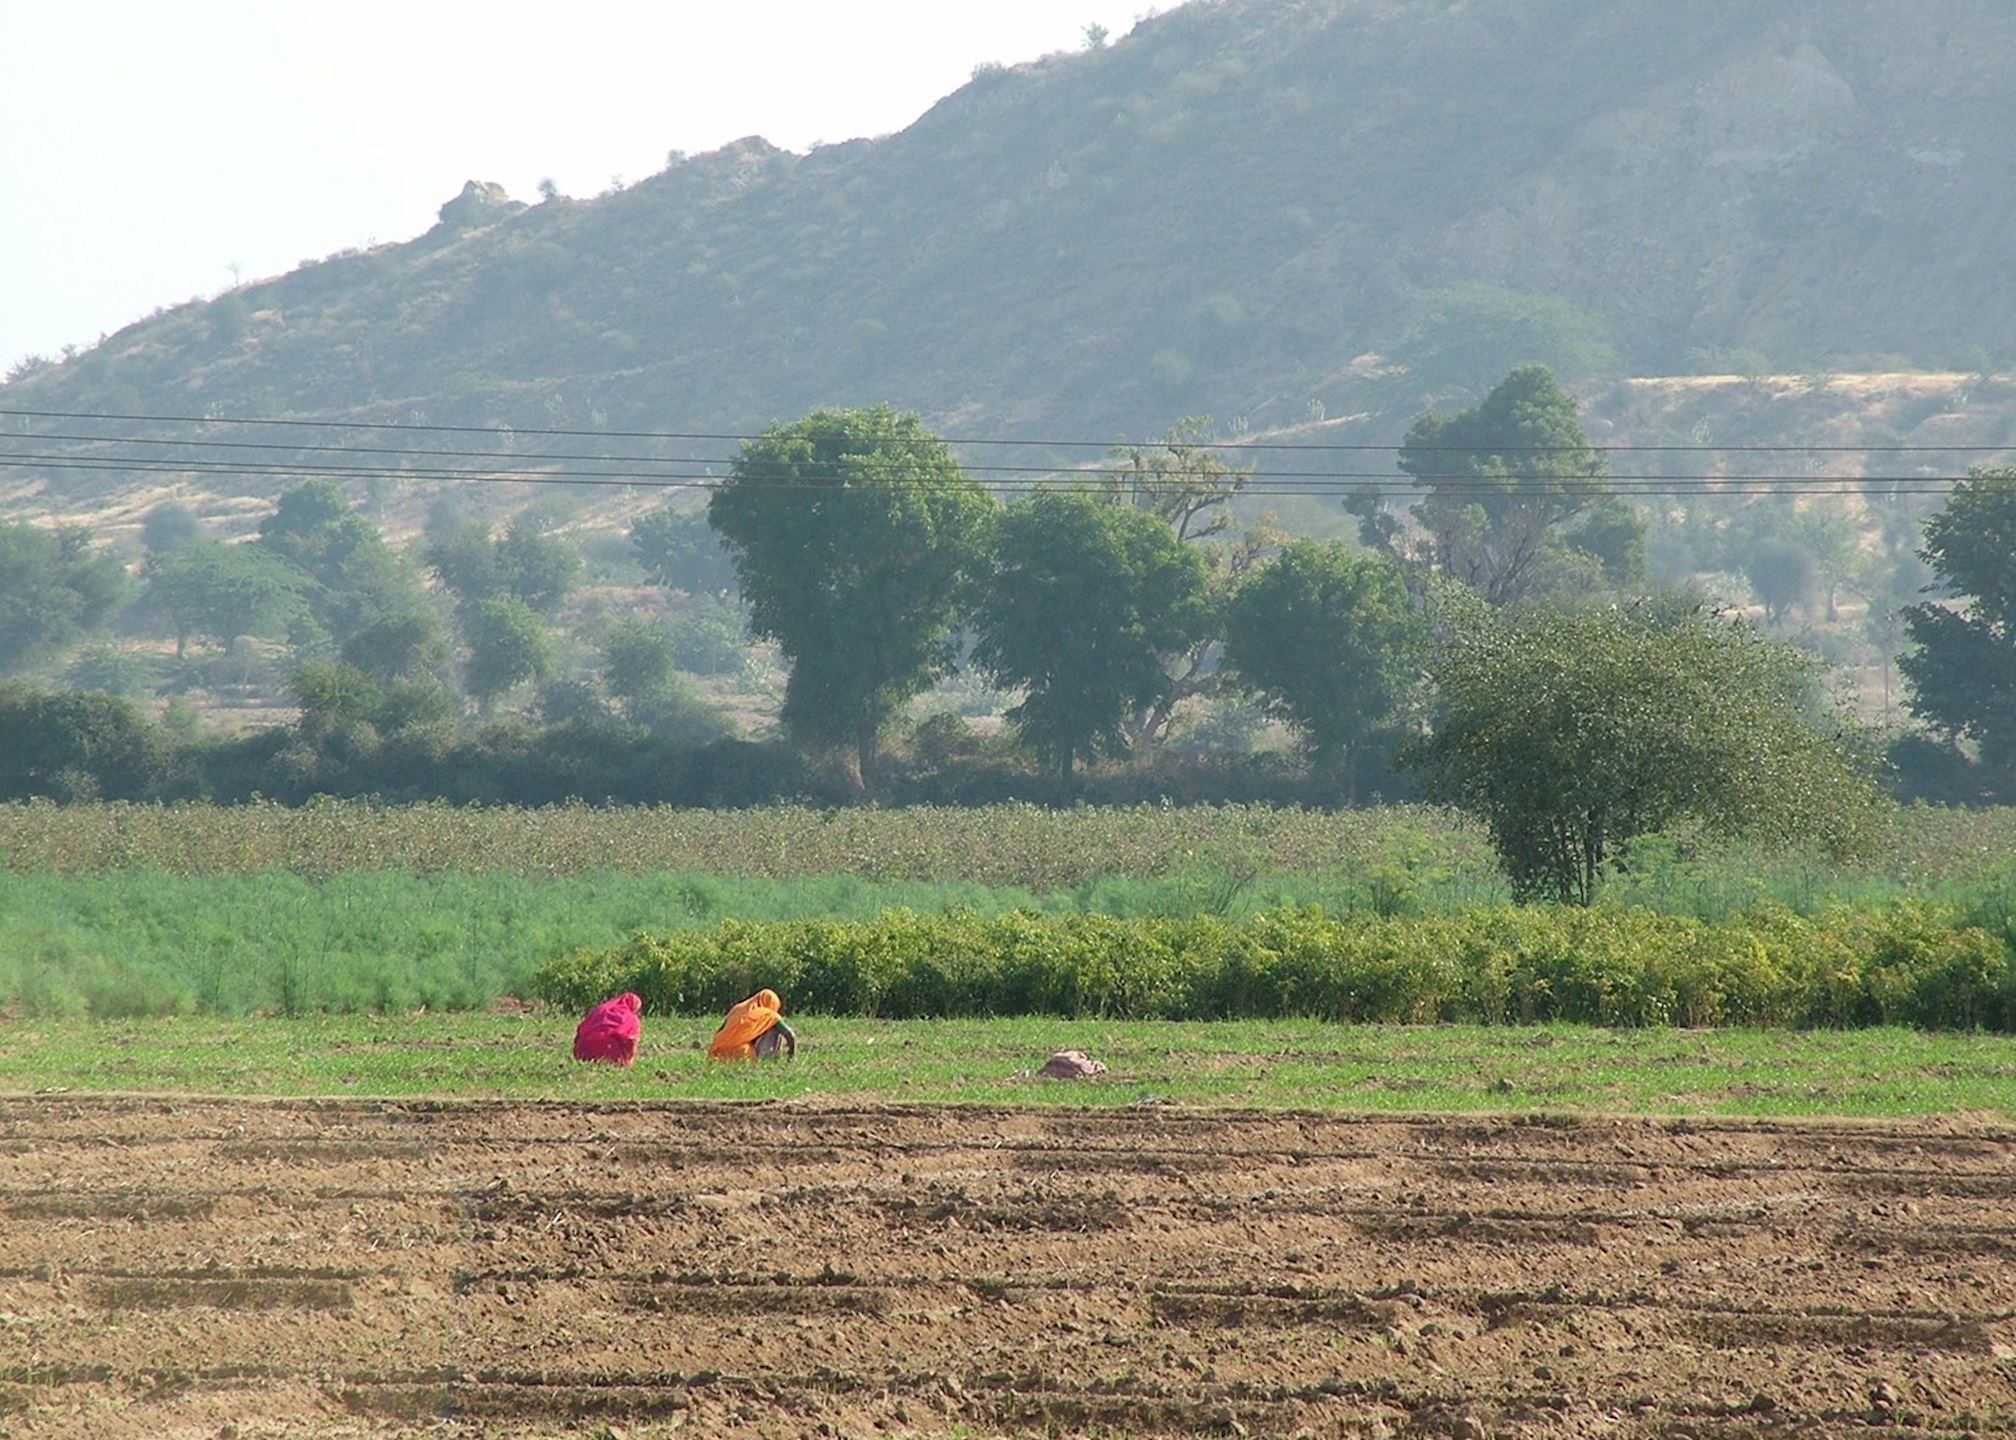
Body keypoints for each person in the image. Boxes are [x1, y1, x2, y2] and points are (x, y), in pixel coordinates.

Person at [707, 987, 796, 1061]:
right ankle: (767, 1060)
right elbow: (790, 1035)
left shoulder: (737, 1008)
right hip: (740, 1053)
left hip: (716, 1053)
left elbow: (720, 1031)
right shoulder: (769, 1015)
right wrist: (791, 1056)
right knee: (774, 1028)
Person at [573, 991, 643, 1066]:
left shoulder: (600, 1010)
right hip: (609, 1051)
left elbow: (580, 1030)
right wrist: (629, 1061)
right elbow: (631, 1041)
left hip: (584, 1050)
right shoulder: (631, 1018)